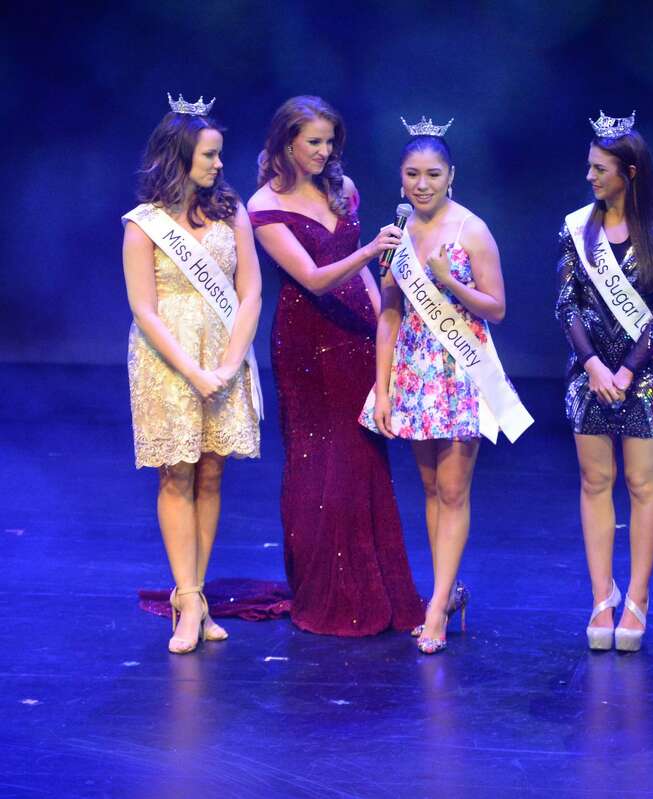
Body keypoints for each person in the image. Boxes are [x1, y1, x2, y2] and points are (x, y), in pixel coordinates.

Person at [247, 95, 423, 636]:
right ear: (286, 143)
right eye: (313, 142)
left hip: (355, 337)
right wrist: (371, 250)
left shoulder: (342, 191)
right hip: (306, 345)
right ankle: (327, 592)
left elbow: (364, 280)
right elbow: (316, 277)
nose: (324, 152)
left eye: (329, 142)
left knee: (362, 457)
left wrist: (382, 333)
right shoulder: (262, 207)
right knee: (318, 462)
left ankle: (378, 586)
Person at [363, 116, 527, 655]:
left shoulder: (472, 229)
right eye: (413, 174)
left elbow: (497, 308)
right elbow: (388, 313)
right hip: (413, 371)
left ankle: (435, 607)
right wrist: (382, 389)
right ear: (401, 177)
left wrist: (448, 280)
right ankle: (446, 592)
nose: (422, 184)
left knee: (454, 491)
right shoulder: (396, 233)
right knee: (430, 490)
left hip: (460, 370)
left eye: (433, 174)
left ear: (451, 175)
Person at [122, 95, 262, 654]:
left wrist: (228, 363)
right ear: (178, 158)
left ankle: (197, 594)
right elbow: (144, 309)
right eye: (209, 155)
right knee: (176, 474)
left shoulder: (233, 213)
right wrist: (193, 371)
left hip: (224, 354)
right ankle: (187, 599)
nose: (219, 164)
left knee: (210, 474)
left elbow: (250, 292)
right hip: (167, 361)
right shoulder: (143, 225)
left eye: (220, 154)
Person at [555, 111, 653, 653]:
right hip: (590, 373)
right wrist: (593, 366)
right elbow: (566, 303)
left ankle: (638, 596)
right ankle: (600, 596)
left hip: (645, 376)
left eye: (600, 168)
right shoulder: (574, 227)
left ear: (629, 172)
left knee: (642, 484)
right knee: (594, 482)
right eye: (588, 167)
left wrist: (629, 367)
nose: (590, 177)